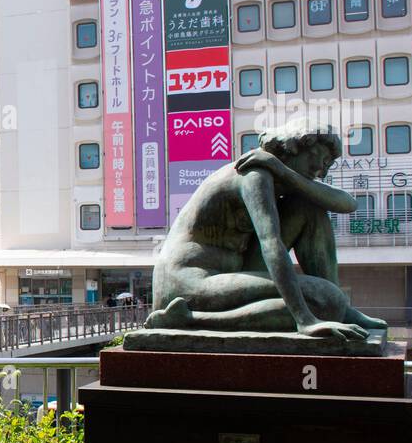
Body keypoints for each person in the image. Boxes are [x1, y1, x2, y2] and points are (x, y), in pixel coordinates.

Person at [145, 124, 387, 341]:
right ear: (295, 147)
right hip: (190, 282)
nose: (321, 170)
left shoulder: (273, 172)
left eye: (326, 165)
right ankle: (188, 318)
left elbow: (348, 204)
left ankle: (342, 310)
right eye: (319, 159)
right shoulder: (254, 175)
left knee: (308, 207)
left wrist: (283, 172)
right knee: (324, 299)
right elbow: (271, 244)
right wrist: (305, 319)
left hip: (232, 271)